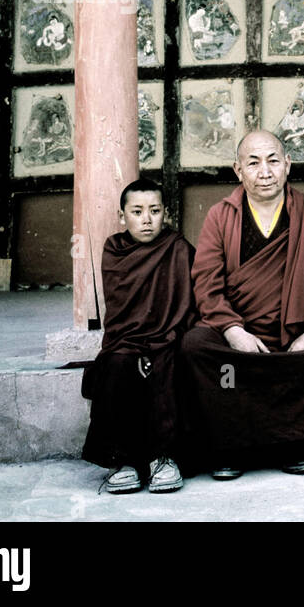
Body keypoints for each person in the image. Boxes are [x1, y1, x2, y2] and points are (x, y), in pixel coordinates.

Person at [182, 130, 304, 480]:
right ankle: (229, 446)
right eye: (253, 162)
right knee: (195, 347)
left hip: (295, 339)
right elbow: (206, 284)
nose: (265, 171)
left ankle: (295, 443)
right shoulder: (221, 216)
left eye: (273, 160)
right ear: (238, 170)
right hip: (240, 343)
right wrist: (234, 332)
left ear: (287, 165)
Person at [82, 179, 196, 494]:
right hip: (125, 338)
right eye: (137, 211)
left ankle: (165, 458)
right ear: (122, 217)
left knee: (169, 360)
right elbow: (121, 310)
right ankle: (124, 461)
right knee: (117, 363)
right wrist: (138, 347)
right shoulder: (114, 250)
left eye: (154, 211)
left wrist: (160, 340)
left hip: (167, 335)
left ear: (165, 214)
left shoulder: (178, 248)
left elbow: (189, 302)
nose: (146, 219)